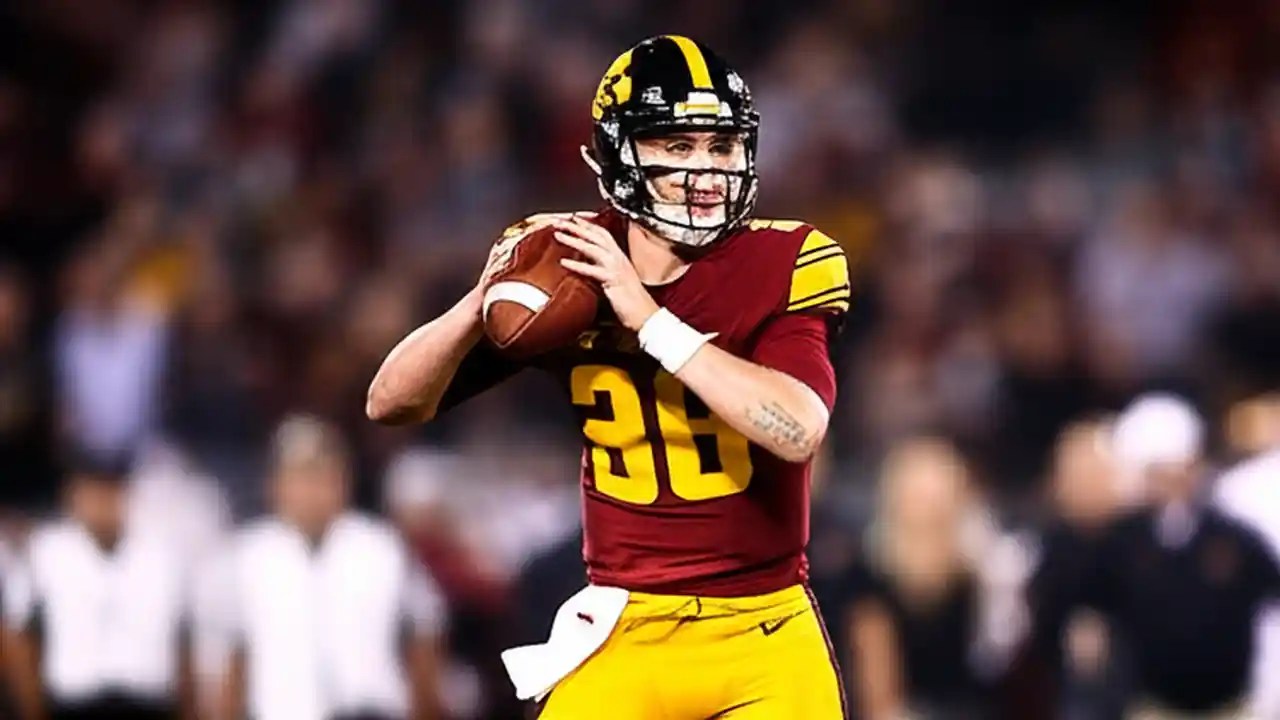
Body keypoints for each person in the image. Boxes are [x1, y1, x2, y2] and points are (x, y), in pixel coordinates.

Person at [368, 35, 851, 719]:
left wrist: (649, 320)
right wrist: (482, 299)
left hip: (763, 628)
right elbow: (390, 402)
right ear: (618, 155)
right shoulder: (572, 263)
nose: (706, 170)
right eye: (678, 146)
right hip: (628, 624)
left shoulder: (788, 258)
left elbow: (798, 430)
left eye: (721, 146)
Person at [207, 416, 444, 720]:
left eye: (323, 476)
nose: (312, 491)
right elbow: (230, 661)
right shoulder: (247, 557)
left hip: (372, 710)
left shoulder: (382, 548)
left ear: (344, 481)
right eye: (301, 477)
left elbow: (424, 635)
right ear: (275, 485)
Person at [1087, 394, 1280, 719]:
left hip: (1230, 707)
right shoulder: (1123, 540)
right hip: (1153, 706)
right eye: (1160, 472)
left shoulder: (1231, 537)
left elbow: (1272, 587)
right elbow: (1094, 604)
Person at [3, 450, 195, 720]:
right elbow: (19, 638)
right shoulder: (45, 553)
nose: (102, 502)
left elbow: (183, 643)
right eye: (93, 490)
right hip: (73, 703)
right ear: (72, 494)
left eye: (111, 490)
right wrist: (31, 709)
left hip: (148, 701)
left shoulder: (160, 556)